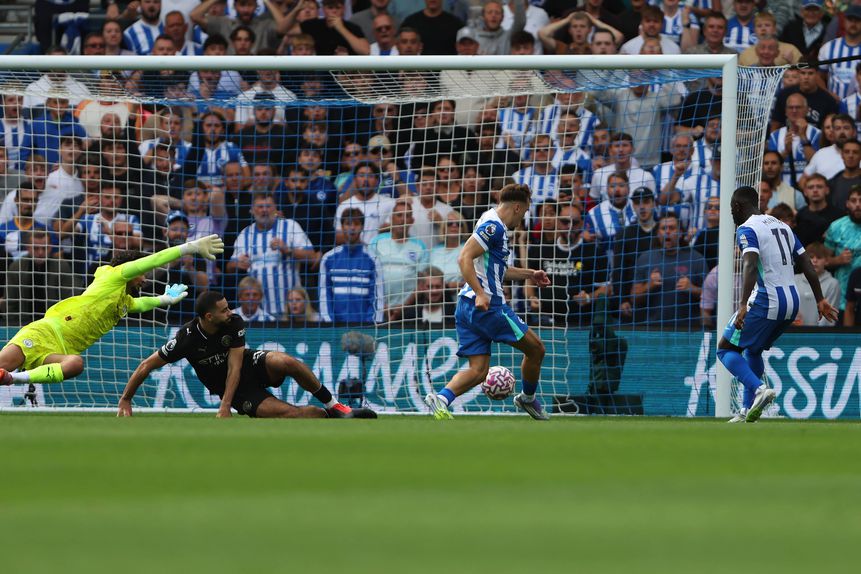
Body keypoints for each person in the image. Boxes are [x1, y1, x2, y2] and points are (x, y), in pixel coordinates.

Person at [0, 234, 224, 386]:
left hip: (57, 350)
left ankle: (12, 379)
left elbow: (141, 304)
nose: (144, 281)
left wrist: (163, 299)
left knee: (75, 364)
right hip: (45, 333)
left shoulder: (122, 302)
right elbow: (155, 259)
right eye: (142, 275)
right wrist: (189, 247)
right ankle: (7, 373)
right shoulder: (114, 275)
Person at [117, 291, 376, 419]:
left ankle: (336, 406)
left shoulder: (234, 323)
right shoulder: (186, 339)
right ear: (209, 317)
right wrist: (126, 399)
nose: (230, 312)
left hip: (248, 367)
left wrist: (223, 406)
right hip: (241, 392)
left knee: (286, 361)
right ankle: (330, 417)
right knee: (292, 414)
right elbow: (146, 365)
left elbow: (235, 366)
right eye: (224, 310)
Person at [423, 183, 551, 420]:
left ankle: (440, 400)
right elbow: (464, 258)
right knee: (536, 349)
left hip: (466, 306)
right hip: (488, 306)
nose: (521, 219)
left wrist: (530, 274)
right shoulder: (494, 227)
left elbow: (496, 270)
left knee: (479, 370)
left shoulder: (488, 218)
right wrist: (481, 292)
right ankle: (527, 398)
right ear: (516, 207)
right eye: (522, 213)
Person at [717, 186, 838, 423]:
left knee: (725, 349)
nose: (732, 214)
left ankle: (760, 389)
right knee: (753, 350)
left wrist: (743, 304)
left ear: (737, 207)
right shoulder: (782, 226)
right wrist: (820, 298)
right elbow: (805, 262)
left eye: (732, 209)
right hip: (791, 303)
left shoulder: (747, 228)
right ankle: (745, 409)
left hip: (766, 299)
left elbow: (750, 265)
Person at [630, 213, 707, 328]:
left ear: (680, 233)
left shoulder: (696, 259)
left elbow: (713, 297)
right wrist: (649, 285)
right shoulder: (645, 258)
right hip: (651, 329)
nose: (667, 232)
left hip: (688, 330)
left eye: (672, 228)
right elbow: (633, 298)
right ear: (658, 233)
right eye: (663, 228)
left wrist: (692, 289)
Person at [319, 208, 385, 324]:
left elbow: (377, 298)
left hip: (365, 330)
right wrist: (330, 326)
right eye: (348, 224)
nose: (352, 228)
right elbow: (325, 297)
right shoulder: (328, 259)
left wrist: (370, 327)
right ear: (342, 226)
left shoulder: (373, 260)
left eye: (356, 224)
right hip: (335, 330)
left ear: (362, 227)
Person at [4, 229, 79, 326]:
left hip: (55, 324)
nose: (40, 252)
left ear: (51, 247)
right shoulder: (16, 267)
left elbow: (69, 300)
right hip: (22, 325)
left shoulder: (61, 266)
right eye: (35, 248)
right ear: (28, 248)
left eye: (44, 248)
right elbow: (10, 304)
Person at [824, 187, 861, 313]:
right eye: (854, 201)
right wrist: (837, 260)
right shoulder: (836, 227)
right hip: (842, 298)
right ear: (847, 204)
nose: (858, 205)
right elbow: (823, 260)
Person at [794, 242, 840, 326]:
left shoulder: (833, 283)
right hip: (794, 333)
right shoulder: (794, 279)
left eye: (819, 257)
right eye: (811, 257)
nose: (814, 260)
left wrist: (818, 335)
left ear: (826, 261)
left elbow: (830, 316)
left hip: (819, 335)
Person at [797, 173, 844, 246]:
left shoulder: (839, 216)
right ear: (805, 192)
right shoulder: (800, 216)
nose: (815, 190)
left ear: (827, 190)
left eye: (819, 187)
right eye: (811, 187)